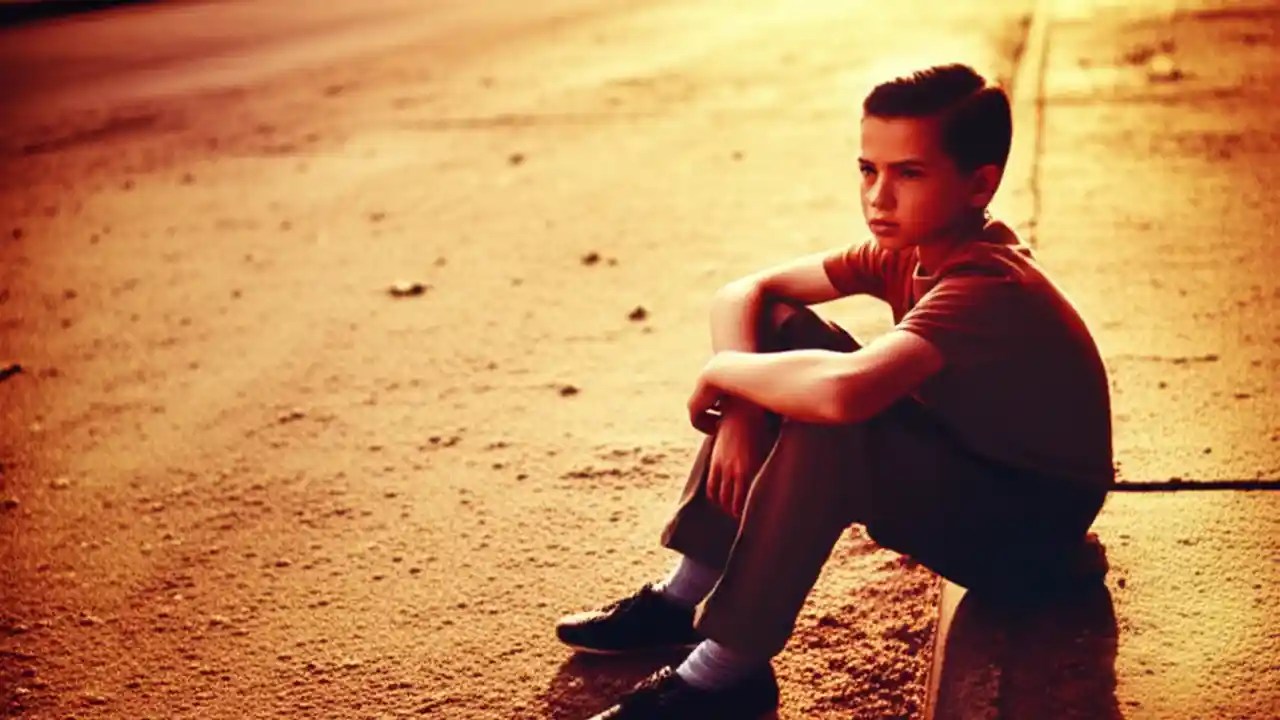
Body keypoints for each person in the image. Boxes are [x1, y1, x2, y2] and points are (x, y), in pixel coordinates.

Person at [555, 63, 1113, 720]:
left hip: (1027, 540)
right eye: (867, 169)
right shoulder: (909, 251)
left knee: (832, 422)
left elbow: (846, 395)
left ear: (978, 184)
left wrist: (724, 376)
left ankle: (727, 673)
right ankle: (685, 599)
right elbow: (746, 294)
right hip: (974, 473)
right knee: (780, 334)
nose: (878, 196)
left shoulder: (989, 285)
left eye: (908, 173)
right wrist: (739, 409)